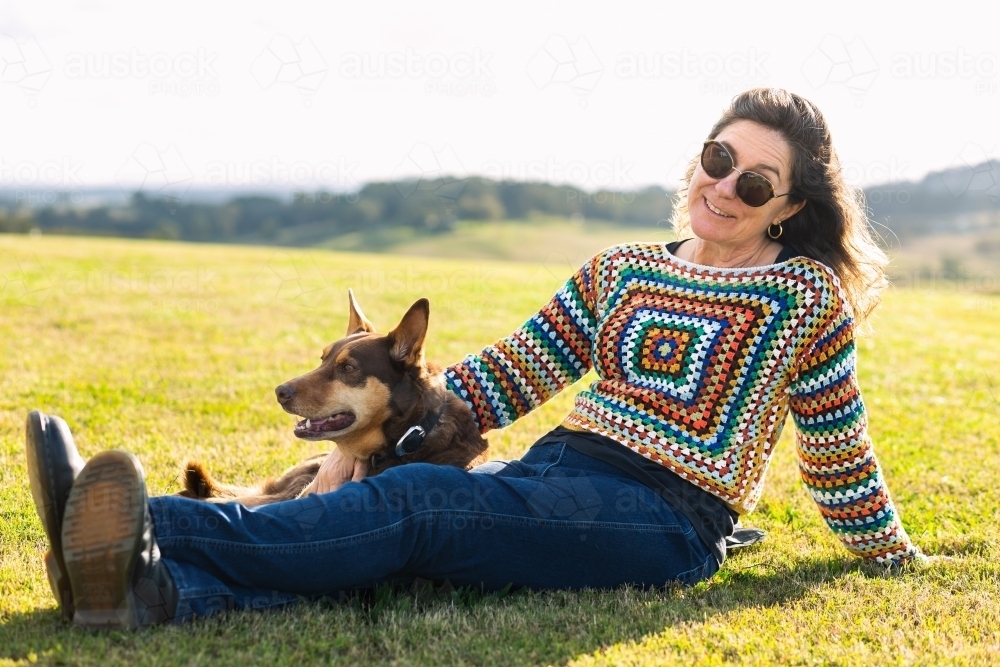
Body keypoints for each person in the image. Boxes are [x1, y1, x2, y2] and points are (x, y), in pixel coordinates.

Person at [27, 88, 926, 630]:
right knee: (408, 550)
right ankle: (153, 591)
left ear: (788, 207)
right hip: (560, 473)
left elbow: (836, 445)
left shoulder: (805, 297)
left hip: (663, 517)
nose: (723, 186)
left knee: (416, 505)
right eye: (718, 157)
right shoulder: (621, 272)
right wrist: (379, 429)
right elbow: (511, 371)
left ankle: (134, 523)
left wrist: (890, 553)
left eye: (754, 182)